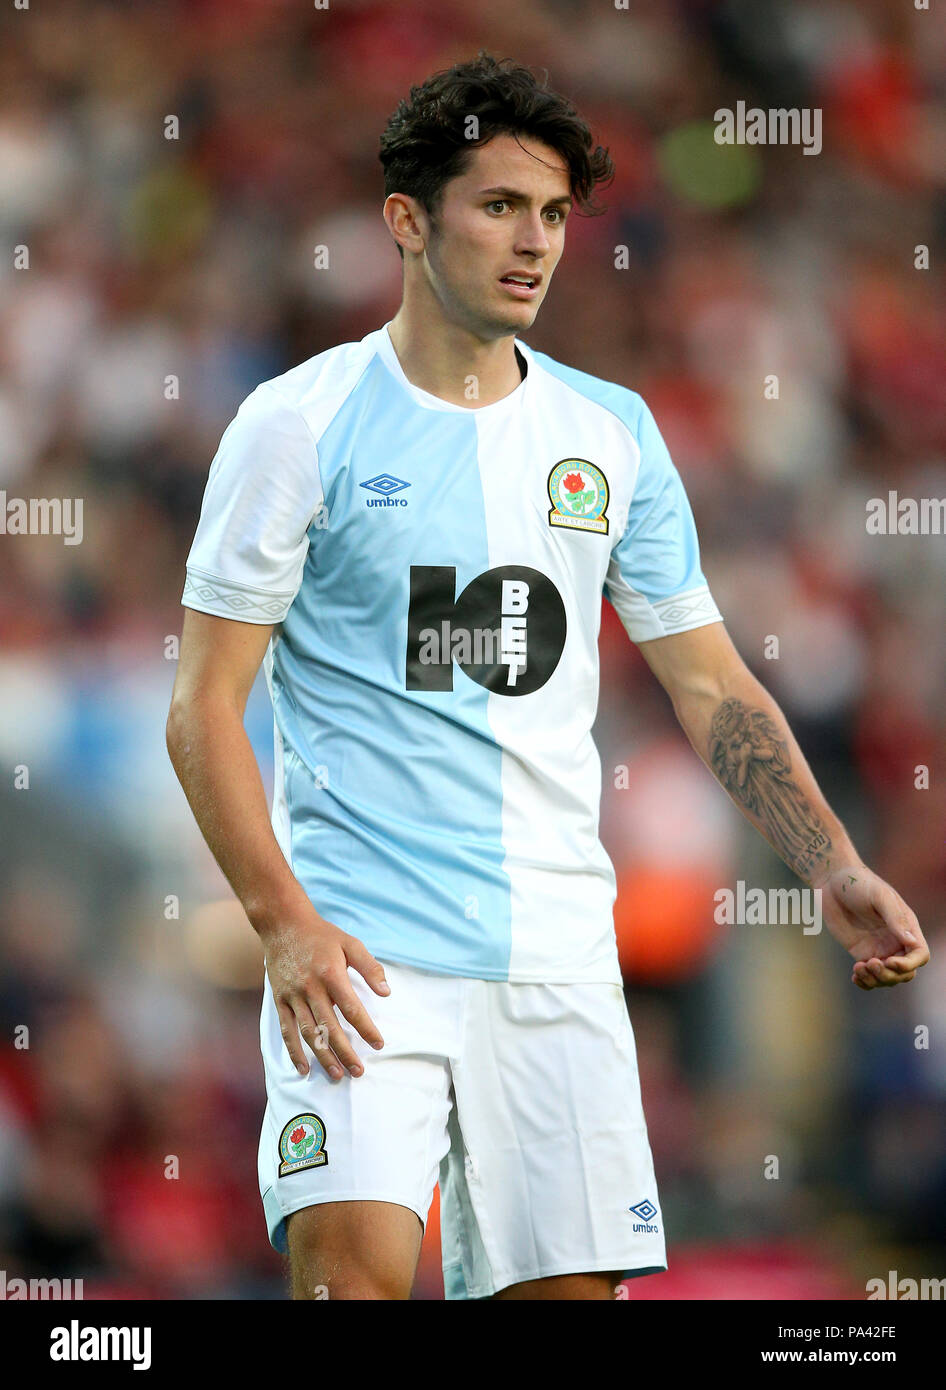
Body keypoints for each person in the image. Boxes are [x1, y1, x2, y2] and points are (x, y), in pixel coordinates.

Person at [166, 52, 929, 1301]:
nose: (536, 242)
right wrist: (285, 928)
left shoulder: (610, 434)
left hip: (561, 960)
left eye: (557, 215)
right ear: (408, 223)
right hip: (365, 961)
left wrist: (831, 859)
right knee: (347, 1282)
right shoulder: (296, 427)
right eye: (501, 206)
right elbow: (200, 710)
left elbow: (711, 684)